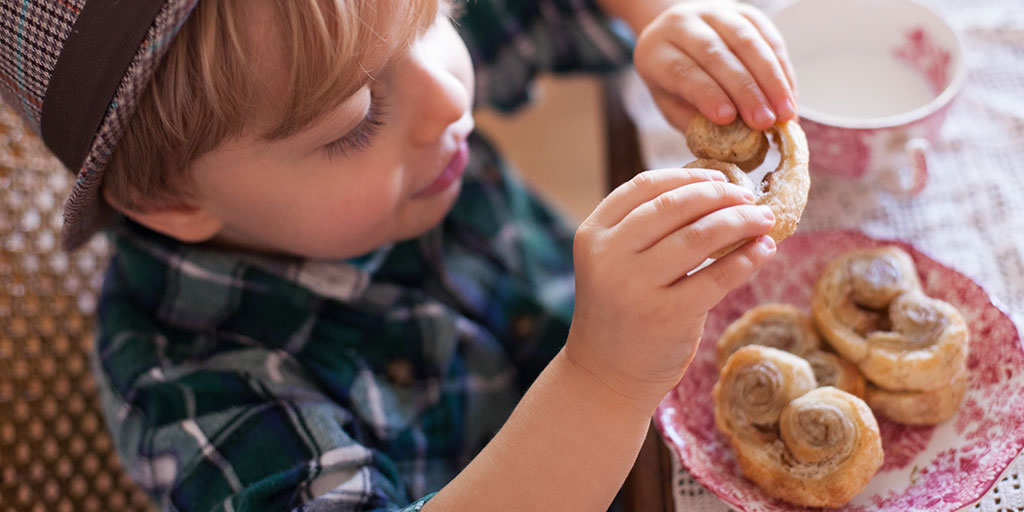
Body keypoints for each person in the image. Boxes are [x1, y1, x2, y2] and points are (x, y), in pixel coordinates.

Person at [0, 0, 796, 509]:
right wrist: (604, 381)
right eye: (356, 122)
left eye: (436, 15)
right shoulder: (192, 396)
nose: (450, 96)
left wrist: (667, 24)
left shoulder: (380, 61)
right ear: (174, 200)